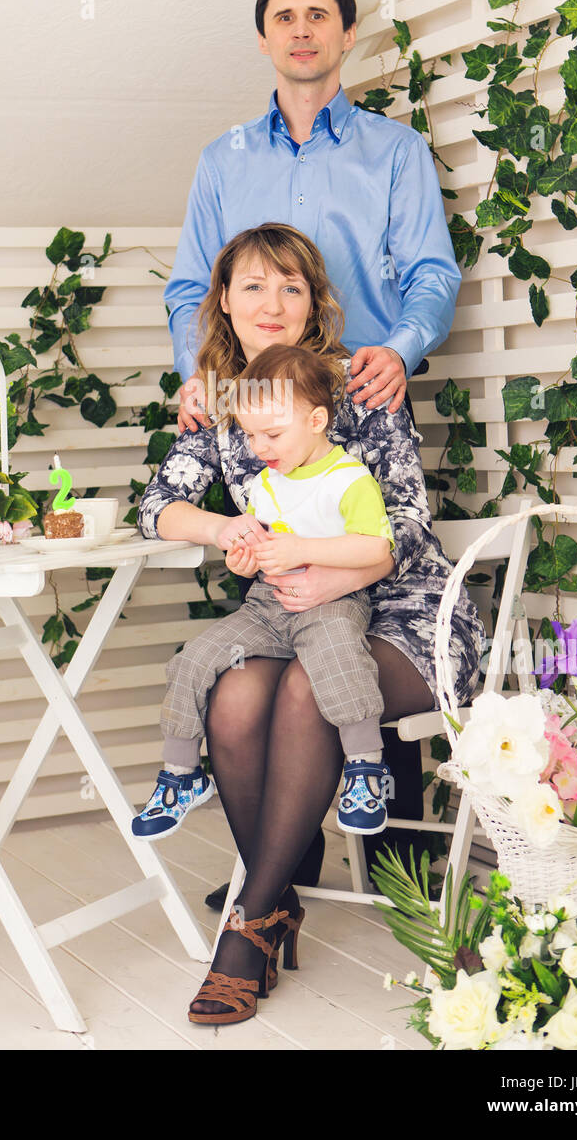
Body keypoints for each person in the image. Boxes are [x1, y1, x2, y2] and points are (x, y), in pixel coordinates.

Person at [136, 224, 485, 1024]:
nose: (273, 303)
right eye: (253, 286)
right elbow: (161, 508)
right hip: (296, 609)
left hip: (403, 608)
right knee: (230, 695)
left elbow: (398, 530)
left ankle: (250, 923)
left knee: (299, 694)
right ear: (220, 299)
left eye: (292, 287)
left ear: (314, 303)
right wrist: (225, 531)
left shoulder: (358, 389)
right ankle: (277, 889)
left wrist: (336, 568)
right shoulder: (220, 407)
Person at [164, 0, 463, 437]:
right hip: (248, 399)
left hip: (365, 392)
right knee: (247, 516)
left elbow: (432, 275)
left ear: (348, 33)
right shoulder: (221, 160)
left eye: (317, 16)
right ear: (263, 40)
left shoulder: (398, 152)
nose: (301, 31)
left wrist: (399, 351)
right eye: (284, 18)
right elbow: (190, 289)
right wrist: (199, 375)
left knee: (376, 515)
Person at [131, 344, 397, 844]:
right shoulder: (268, 484)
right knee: (193, 660)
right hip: (268, 608)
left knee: (339, 658)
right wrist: (244, 556)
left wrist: (300, 548)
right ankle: (182, 774)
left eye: (272, 434)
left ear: (317, 419)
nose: (259, 448)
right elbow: (260, 544)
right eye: (251, 436)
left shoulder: (348, 479)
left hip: (329, 602)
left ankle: (365, 769)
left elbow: (374, 547)